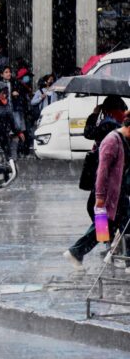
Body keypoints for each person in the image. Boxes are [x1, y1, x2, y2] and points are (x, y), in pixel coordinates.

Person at [64, 115, 130, 270]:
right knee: (104, 229)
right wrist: (100, 197)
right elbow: (102, 171)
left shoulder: (125, 141)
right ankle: (76, 252)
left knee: (109, 228)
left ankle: (78, 252)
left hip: (118, 193)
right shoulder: (112, 140)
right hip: (106, 195)